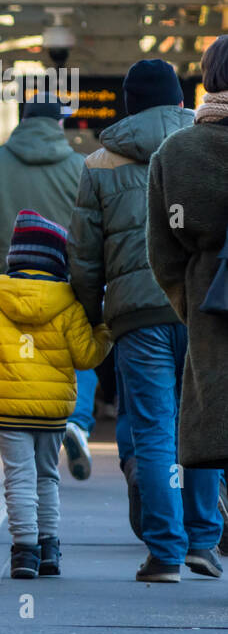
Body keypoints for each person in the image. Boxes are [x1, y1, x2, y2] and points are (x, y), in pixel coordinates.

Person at [69, 59, 221, 578]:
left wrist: (92, 315)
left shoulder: (99, 165)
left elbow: (85, 255)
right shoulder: (199, 147)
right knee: (199, 423)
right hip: (199, 307)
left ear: (127, 106)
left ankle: (166, 553)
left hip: (137, 316)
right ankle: (204, 542)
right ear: (180, 101)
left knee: (155, 429)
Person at [0, 210, 111, 579]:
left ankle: (25, 553)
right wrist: (104, 329)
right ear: (58, 261)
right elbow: (87, 356)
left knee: (18, 479)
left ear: (14, 258)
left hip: (8, 412)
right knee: (46, 477)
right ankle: (51, 547)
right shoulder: (69, 303)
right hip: (54, 412)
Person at [0, 93, 95, 480]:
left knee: (11, 358)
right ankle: (76, 421)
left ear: (22, 120)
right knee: (75, 353)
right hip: (65, 282)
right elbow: (89, 228)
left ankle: (20, 438)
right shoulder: (79, 166)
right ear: (59, 125)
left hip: (4, 281)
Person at [146, 35, 228, 579]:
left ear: (207, 79)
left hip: (209, 306)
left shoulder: (176, 153)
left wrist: (193, 307)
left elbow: (162, 253)